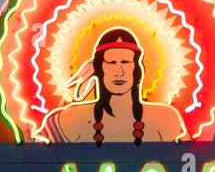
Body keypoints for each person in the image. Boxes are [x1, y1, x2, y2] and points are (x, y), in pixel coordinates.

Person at [39, 28, 188, 144]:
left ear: (136, 68)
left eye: (125, 62)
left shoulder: (166, 118)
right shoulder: (66, 120)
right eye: (111, 63)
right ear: (98, 68)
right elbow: (31, 165)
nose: (119, 72)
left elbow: (192, 166)